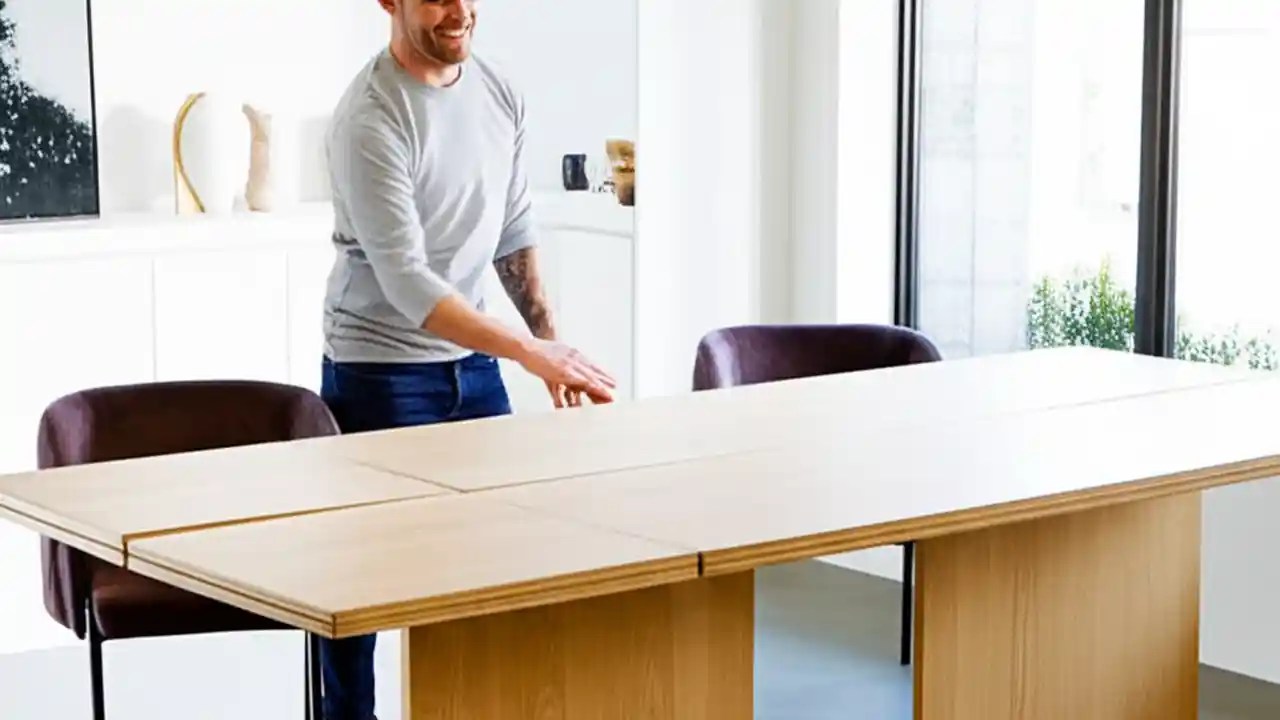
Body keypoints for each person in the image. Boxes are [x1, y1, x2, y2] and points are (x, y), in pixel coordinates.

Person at [315, 0, 616, 717]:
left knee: (494, 566)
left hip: (475, 367)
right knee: (363, 586)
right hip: (380, 373)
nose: (461, 11)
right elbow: (409, 281)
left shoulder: (498, 90)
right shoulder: (370, 116)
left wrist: (548, 339)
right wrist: (532, 353)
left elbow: (513, 227)